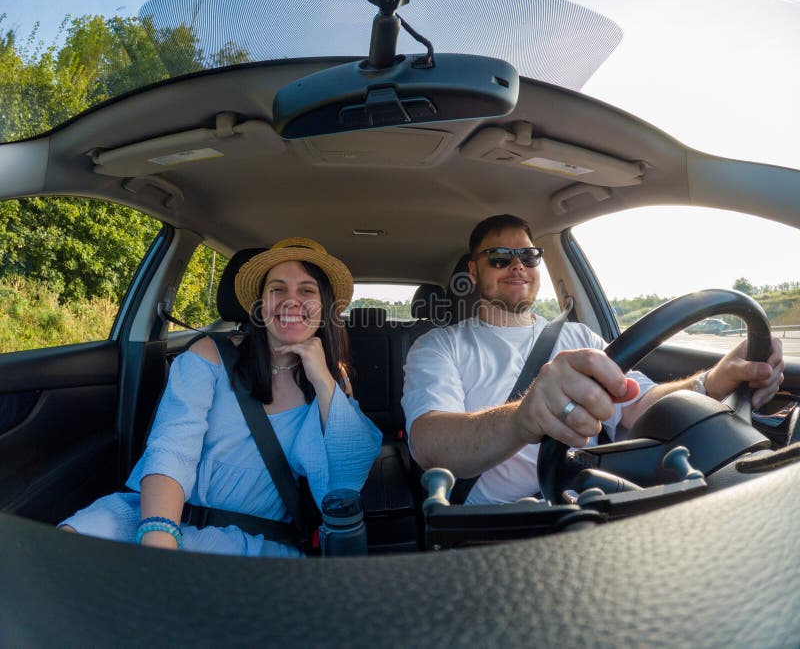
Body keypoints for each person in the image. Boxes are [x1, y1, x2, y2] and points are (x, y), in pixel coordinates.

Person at [402, 215, 785, 505]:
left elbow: (637, 405)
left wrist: (715, 381)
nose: (517, 266)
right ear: (473, 270)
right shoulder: (439, 346)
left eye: (528, 256)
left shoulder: (580, 336)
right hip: (500, 525)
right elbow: (430, 444)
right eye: (500, 257)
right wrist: (525, 418)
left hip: (599, 500)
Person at [60, 237, 382, 556]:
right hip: (161, 515)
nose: (291, 300)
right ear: (260, 304)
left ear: (324, 305)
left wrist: (323, 380)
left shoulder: (331, 381)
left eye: (307, 290)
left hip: (256, 540)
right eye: (277, 289)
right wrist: (159, 536)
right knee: (69, 545)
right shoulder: (209, 355)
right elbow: (172, 449)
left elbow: (344, 482)